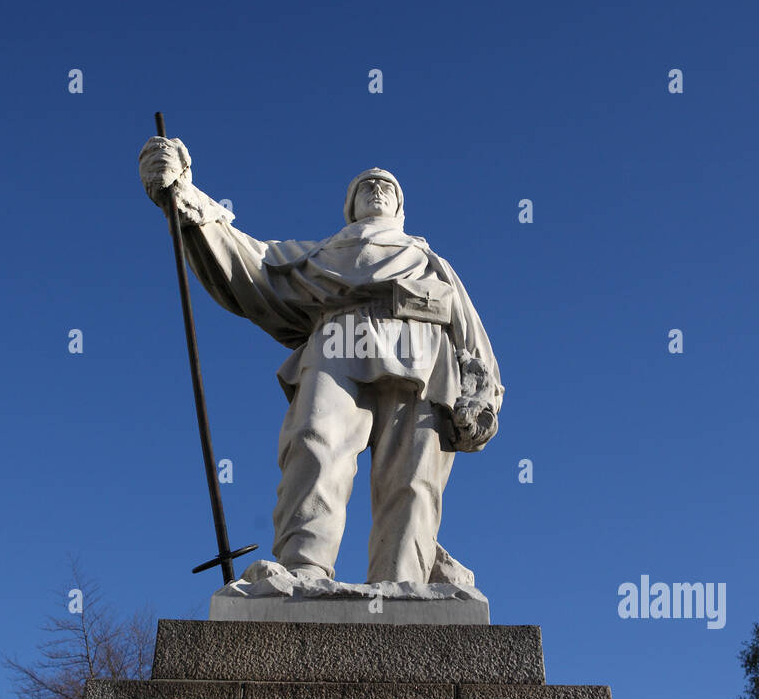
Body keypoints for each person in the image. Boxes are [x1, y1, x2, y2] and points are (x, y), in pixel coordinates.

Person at [140, 136, 502, 584]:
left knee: (412, 475)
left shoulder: (431, 263)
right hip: (338, 341)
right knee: (314, 442)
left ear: (400, 208)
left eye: (387, 186)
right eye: (367, 185)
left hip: (423, 357)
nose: (377, 188)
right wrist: (183, 195)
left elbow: (470, 334)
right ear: (351, 206)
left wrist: (481, 394)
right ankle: (303, 569)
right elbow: (249, 261)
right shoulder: (319, 257)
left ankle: (403, 581)